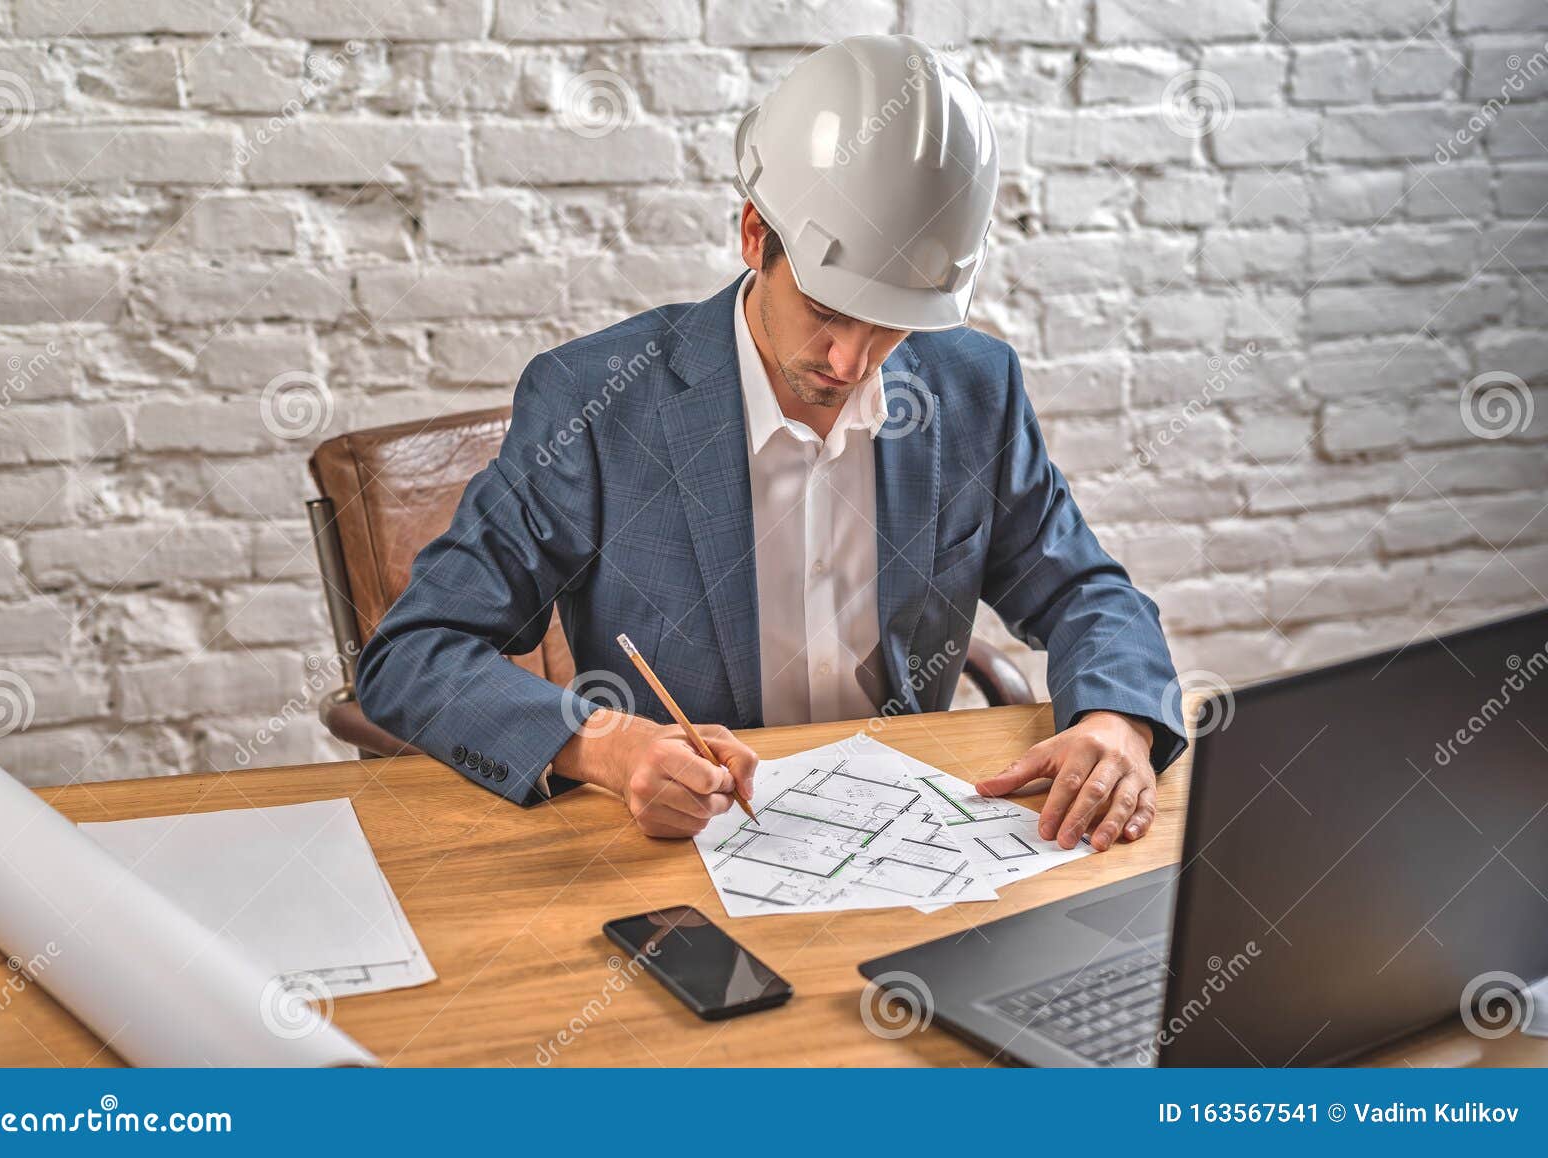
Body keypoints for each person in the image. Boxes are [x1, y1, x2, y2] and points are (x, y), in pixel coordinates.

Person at [357, 34, 1185, 851]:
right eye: (828, 311)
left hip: (911, 854)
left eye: (892, 326)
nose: (852, 362)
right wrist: (605, 746)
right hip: (684, 862)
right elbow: (413, 655)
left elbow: (1086, 593)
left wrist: (1118, 721)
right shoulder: (597, 404)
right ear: (756, 236)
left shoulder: (974, 389)